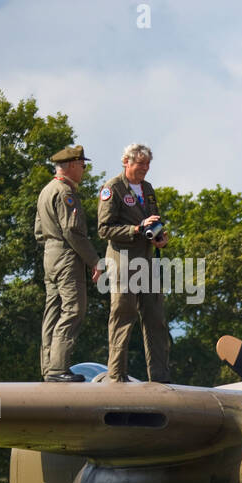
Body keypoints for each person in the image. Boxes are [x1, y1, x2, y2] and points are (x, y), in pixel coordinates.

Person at [97, 143, 170, 382]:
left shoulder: (147, 188)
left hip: (148, 261)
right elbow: (104, 229)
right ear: (126, 162)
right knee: (123, 317)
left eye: (148, 164)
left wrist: (159, 237)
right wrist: (137, 229)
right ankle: (117, 375)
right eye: (140, 164)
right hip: (122, 261)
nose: (145, 168)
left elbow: (154, 219)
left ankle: (160, 377)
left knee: (156, 318)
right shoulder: (113, 188)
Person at [34, 146, 102, 382]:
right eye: (83, 165)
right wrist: (95, 261)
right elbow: (73, 231)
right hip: (66, 256)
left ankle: (49, 367)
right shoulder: (65, 193)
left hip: (50, 255)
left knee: (52, 311)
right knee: (73, 309)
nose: (84, 170)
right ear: (72, 164)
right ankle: (58, 368)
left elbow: (38, 232)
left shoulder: (46, 191)